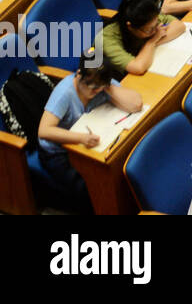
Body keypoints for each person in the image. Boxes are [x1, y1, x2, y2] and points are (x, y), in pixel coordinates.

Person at [38, 51, 142, 214]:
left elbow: (136, 104)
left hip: (90, 145)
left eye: (100, 87)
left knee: (117, 173)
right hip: (59, 152)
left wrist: (107, 88)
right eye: (92, 87)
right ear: (79, 74)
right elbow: (44, 131)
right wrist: (82, 138)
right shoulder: (64, 93)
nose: (95, 92)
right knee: (90, 188)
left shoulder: (101, 82)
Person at [99, 0, 185, 76]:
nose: (156, 30)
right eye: (150, 30)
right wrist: (151, 42)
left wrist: (153, 43)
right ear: (130, 27)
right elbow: (138, 67)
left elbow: (179, 26)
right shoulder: (107, 38)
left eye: (156, 25)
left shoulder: (148, 17)